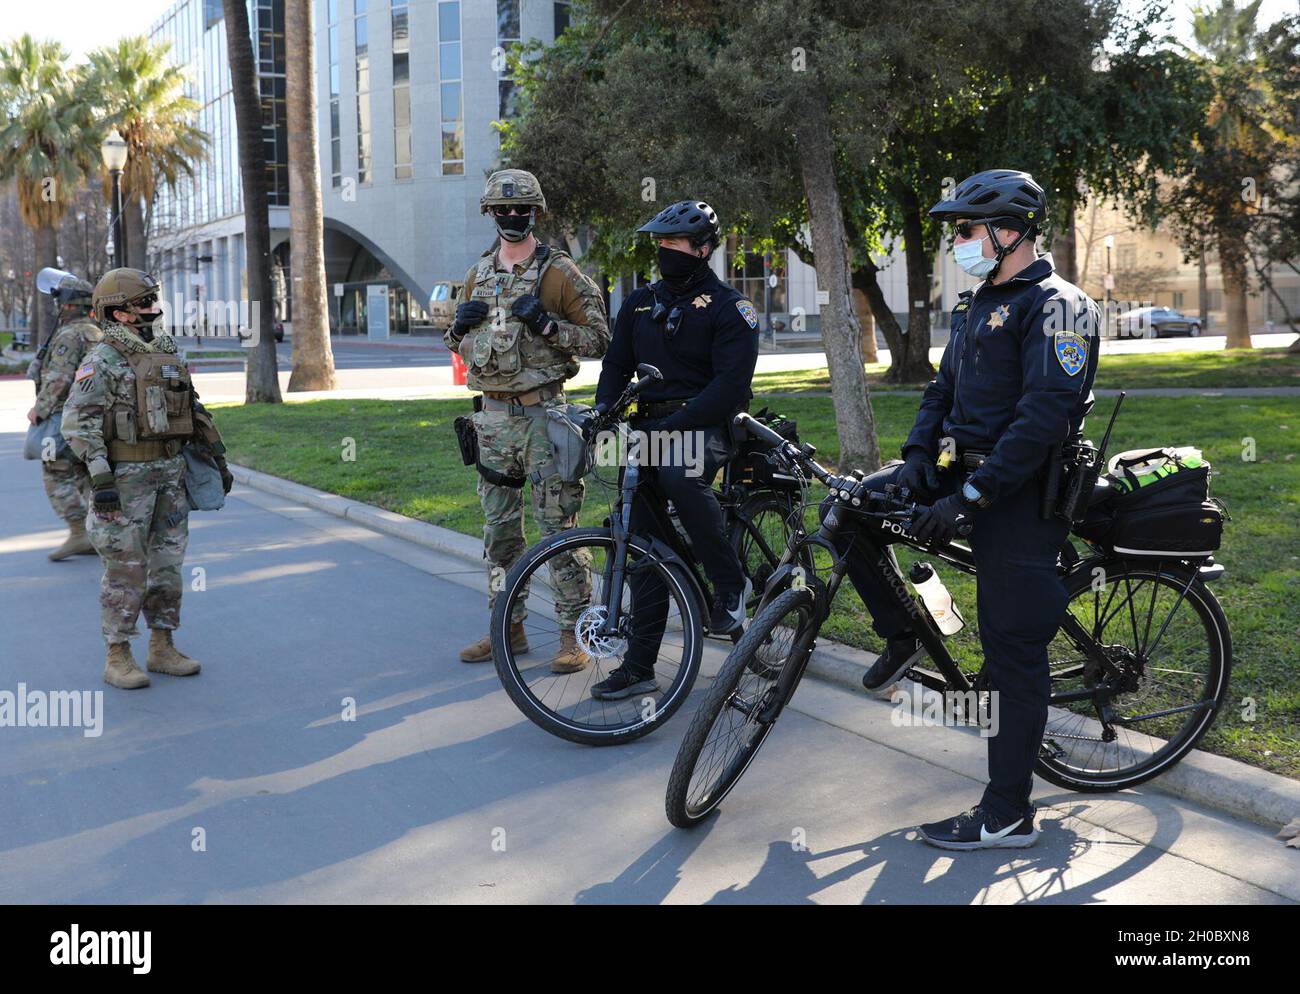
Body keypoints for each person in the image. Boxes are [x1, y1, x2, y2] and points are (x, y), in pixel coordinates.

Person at [840, 169, 1100, 849]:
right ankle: (903, 637)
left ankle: (1009, 813)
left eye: (966, 229)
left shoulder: (1061, 306)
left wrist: (971, 501)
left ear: (1009, 231)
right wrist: (920, 457)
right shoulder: (977, 302)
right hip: (959, 473)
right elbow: (941, 390)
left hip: (1020, 493)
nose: (959, 241)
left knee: (1012, 651)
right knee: (850, 511)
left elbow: (1043, 419)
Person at [590, 199, 760, 700]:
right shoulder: (639, 303)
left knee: (677, 477)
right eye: (659, 244)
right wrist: (603, 410)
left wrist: (678, 424)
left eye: (675, 244)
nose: (665, 252)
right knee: (637, 535)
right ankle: (640, 665)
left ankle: (731, 584)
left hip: (706, 425)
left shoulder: (731, 308)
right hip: (648, 429)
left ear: (703, 249)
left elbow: (730, 386)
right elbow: (615, 364)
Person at [446, 169, 611, 673]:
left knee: (556, 529)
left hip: (544, 418)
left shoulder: (557, 271)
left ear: (536, 213)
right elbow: (459, 347)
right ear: (490, 214)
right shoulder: (478, 273)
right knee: (499, 536)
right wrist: (456, 328)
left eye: (522, 210)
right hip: (493, 422)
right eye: (503, 210)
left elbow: (601, 339)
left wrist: (546, 323)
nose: (513, 218)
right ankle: (508, 628)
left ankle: (573, 634)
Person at [62, 268, 231, 690]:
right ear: (119, 313)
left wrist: (216, 459)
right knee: (125, 571)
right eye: (144, 302)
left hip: (170, 478)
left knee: (168, 566)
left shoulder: (168, 353)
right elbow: (78, 425)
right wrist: (101, 480)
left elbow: (193, 412)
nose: (153, 308)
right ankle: (117, 655)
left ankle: (162, 646)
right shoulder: (101, 361)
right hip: (124, 485)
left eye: (153, 300)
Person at [26, 271, 102, 560]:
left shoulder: (70, 335)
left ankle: (79, 533)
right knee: (85, 474)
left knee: (55, 471)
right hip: (89, 417)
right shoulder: (94, 331)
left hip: (64, 417)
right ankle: (98, 531)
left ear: (69, 304)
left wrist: (39, 409)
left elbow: (59, 378)